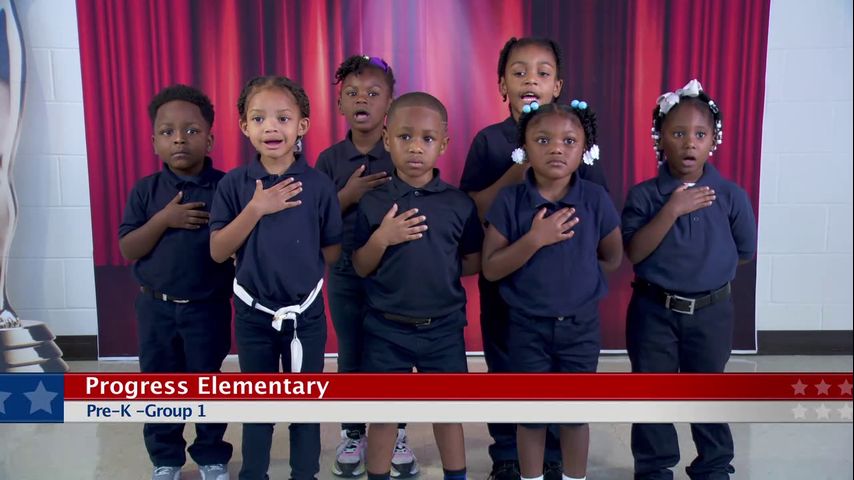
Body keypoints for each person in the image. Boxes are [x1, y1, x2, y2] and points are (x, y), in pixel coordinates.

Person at [458, 36, 609, 480]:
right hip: (506, 279)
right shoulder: (489, 141)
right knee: (509, 368)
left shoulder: (573, 135)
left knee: (564, 376)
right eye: (518, 71)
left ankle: (557, 456)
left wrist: (580, 276)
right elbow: (471, 207)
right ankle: (509, 452)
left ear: (557, 84)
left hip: (564, 294)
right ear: (502, 84)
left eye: (542, 72)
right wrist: (518, 167)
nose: (530, 80)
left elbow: (601, 219)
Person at [621, 79, 757, 480]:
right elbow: (635, 251)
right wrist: (673, 209)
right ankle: (654, 468)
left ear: (713, 140)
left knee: (708, 391)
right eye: (678, 133)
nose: (689, 144)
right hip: (653, 311)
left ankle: (714, 467)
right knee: (652, 393)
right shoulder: (645, 195)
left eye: (699, 134)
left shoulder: (730, 195)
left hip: (712, 314)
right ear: (660, 138)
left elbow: (745, 251)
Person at [209, 75, 342, 480]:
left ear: (302, 125)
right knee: (259, 405)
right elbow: (217, 251)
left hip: (306, 317)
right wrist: (257, 209)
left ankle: (305, 473)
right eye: (259, 118)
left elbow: (332, 250)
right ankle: (255, 473)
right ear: (244, 126)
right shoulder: (234, 184)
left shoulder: (319, 186)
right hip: (253, 318)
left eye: (283, 118)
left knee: (306, 406)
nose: (271, 127)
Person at [482, 101, 622, 480]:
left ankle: (575, 476)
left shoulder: (594, 199)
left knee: (575, 416)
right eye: (543, 140)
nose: (556, 148)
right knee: (531, 416)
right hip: (526, 327)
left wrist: (578, 277)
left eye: (568, 141)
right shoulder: (510, 200)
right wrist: (535, 240)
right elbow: (491, 268)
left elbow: (612, 256)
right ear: (525, 147)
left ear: (583, 149)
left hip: (580, 328)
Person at [352, 92, 483, 480]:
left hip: (442, 328)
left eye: (427, 139)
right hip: (385, 327)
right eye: (405, 137)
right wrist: (383, 238)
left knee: (448, 411)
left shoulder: (458, 204)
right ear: (388, 139)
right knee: (384, 414)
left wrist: (433, 270)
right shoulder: (374, 202)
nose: (415, 147)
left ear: (443, 144)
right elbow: (360, 266)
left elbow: (472, 259)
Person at [118, 84, 233, 480]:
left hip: (207, 307)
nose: (179, 139)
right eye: (168, 132)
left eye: (191, 130)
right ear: (154, 142)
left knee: (207, 384)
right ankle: (165, 459)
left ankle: (212, 456)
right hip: (155, 308)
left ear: (210, 137)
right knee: (159, 385)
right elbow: (129, 248)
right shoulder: (145, 191)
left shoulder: (226, 187)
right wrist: (163, 220)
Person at [315, 55, 417, 478]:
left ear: (389, 104)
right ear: (339, 105)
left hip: (393, 272)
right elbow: (314, 220)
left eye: (374, 94)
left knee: (394, 353)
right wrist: (348, 193)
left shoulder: (400, 150)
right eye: (352, 94)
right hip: (344, 274)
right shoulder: (328, 160)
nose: (363, 100)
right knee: (353, 351)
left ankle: (395, 432)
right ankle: (354, 431)